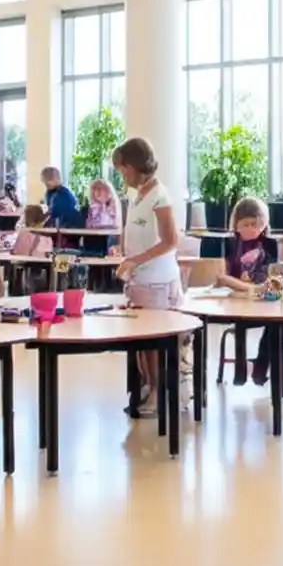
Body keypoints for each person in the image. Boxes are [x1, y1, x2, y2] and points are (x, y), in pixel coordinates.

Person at [110, 138, 185, 419]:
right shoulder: (137, 194)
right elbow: (137, 233)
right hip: (139, 281)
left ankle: (158, 392)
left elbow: (170, 241)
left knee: (153, 343)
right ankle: (148, 387)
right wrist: (124, 251)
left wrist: (135, 260)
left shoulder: (160, 196)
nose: (122, 175)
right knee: (141, 342)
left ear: (133, 166)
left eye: (122, 170)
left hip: (157, 281)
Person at [215, 197, 279, 386]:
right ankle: (241, 371)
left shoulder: (269, 245)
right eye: (246, 224)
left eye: (255, 224)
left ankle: (260, 368)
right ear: (236, 225)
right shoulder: (229, 244)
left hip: (264, 301)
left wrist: (256, 288)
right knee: (241, 323)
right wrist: (245, 287)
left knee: (279, 329)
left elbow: (272, 279)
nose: (251, 228)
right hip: (236, 301)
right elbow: (222, 277)